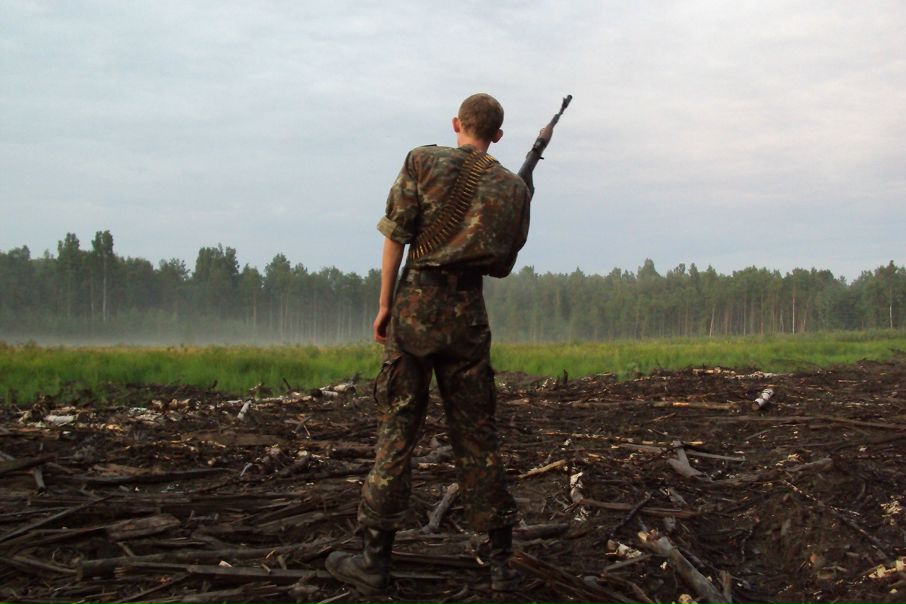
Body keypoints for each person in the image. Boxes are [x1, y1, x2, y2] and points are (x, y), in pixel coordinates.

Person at [326, 93, 532, 595]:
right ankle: (501, 566)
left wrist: (385, 304)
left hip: (416, 310)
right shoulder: (512, 187)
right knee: (479, 438)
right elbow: (502, 265)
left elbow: (396, 235)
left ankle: (374, 562)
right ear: (498, 136)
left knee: (397, 434)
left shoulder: (422, 161)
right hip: (468, 317)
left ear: (457, 123)